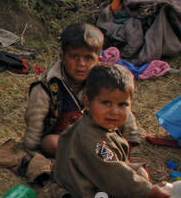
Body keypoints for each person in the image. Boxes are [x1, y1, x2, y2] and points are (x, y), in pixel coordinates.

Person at [51, 63, 173, 198]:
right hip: (86, 197)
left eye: (122, 105)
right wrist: (149, 191)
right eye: (106, 103)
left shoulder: (96, 125)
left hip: (89, 176)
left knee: (138, 173)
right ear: (87, 101)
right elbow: (114, 174)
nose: (114, 111)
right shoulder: (95, 143)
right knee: (134, 185)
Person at [24, 22, 142, 157]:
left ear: (99, 59)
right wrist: (33, 152)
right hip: (68, 144)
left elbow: (123, 109)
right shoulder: (46, 88)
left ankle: (103, 159)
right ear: (62, 56)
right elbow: (35, 125)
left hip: (99, 141)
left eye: (88, 58)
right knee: (50, 143)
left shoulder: (105, 82)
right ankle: (94, 160)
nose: (81, 64)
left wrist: (132, 141)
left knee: (108, 148)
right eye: (74, 57)